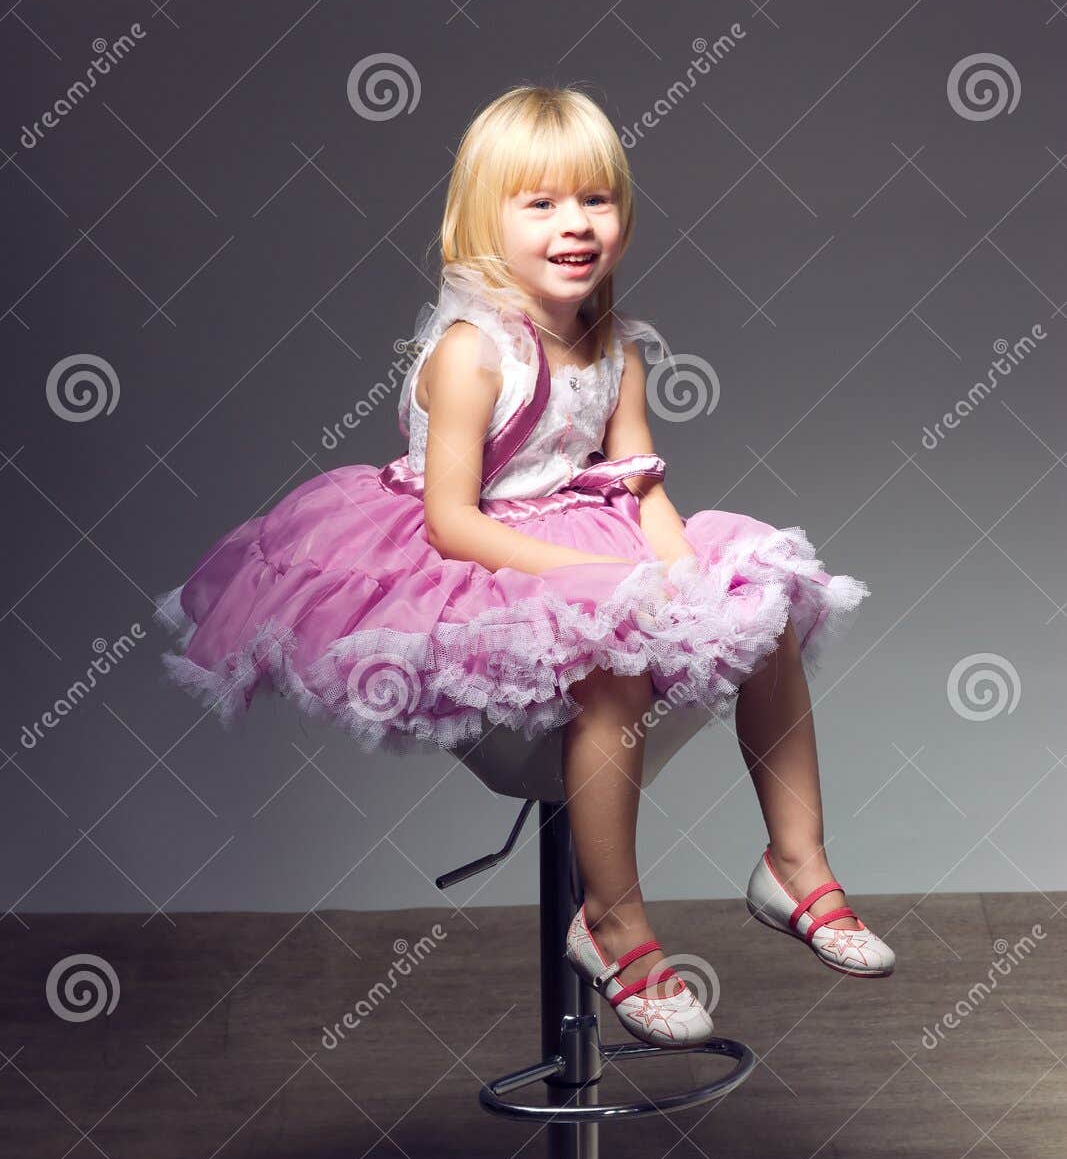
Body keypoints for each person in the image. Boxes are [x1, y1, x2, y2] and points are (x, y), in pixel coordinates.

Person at [154, 85, 895, 1052]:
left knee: (766, 605)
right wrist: (586, 577)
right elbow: (452, 520)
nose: (574, 224)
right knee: (611, 663)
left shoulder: (616, 350)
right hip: (481, 560)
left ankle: (794, 863)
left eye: (595, 199)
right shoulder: (473, 354)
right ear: (482, 220)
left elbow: (637, 485)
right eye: (539, 203)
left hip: (587, 536)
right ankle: (612, 920)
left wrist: (685, 573)